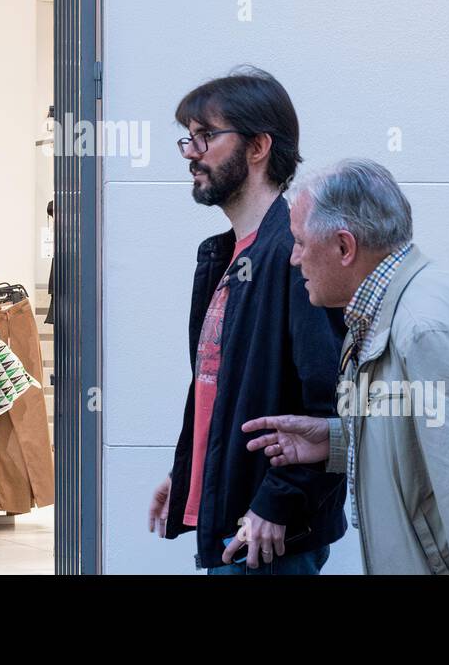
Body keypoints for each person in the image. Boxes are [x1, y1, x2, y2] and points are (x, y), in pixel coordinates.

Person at [244, 158, 449, 574]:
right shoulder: (405, 309)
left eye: (301, 242)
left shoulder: (425, 328)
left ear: (344, 247)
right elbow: (426, 437)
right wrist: (339, 440)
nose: (294, 258)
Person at [148, 67, 347, 574]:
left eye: (206, 136)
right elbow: (216, 388)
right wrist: (190, 472)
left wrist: (278, 503)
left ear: (258, 147)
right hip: (234, 520)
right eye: (188, 138)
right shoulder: (226, 256)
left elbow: (330, 404)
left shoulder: (295, 254)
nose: (192, 152)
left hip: (268, 537)